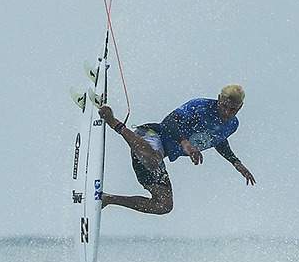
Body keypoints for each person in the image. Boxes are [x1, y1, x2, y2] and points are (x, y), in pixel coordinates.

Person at [97, 84, 255, 215]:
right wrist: (184, 143)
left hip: (153, 157)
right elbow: (169, 121)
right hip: (151, 135)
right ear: (219, 98)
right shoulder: (200, 106)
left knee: (164, 205)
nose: (227, 112)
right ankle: (115, 124)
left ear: (240, 107)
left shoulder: (232, 125)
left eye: (233, 109)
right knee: (154, 160)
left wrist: (236, 162)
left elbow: (219, 140)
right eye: (224, 106)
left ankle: (108, 199)